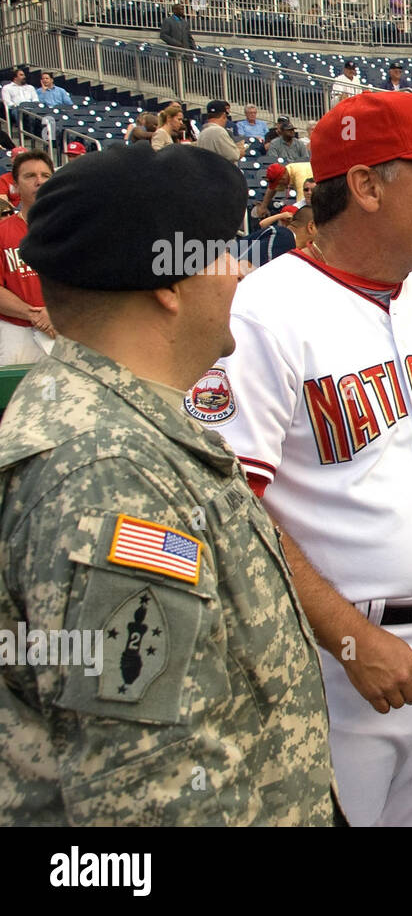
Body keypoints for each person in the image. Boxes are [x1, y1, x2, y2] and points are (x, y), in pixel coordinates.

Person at [189, 92, 412, 828]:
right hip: (336, 662)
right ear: (365, 186)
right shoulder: (263, 312)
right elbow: (225, 504)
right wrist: (349, 635)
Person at [0, 144, 339, 826]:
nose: (242, 273)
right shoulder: (107, 476)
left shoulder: (122, 425)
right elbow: (155, 800)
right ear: (169, 281)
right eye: (223, 253)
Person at [0, 151, 55, 365]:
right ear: (15, 184)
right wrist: (35, 315)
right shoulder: (3, 231)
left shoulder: (73, 229)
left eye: (45, 175)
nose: (39, 181)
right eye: (30, 176)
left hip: (64, 329)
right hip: (15, 331)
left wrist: (55, 314)